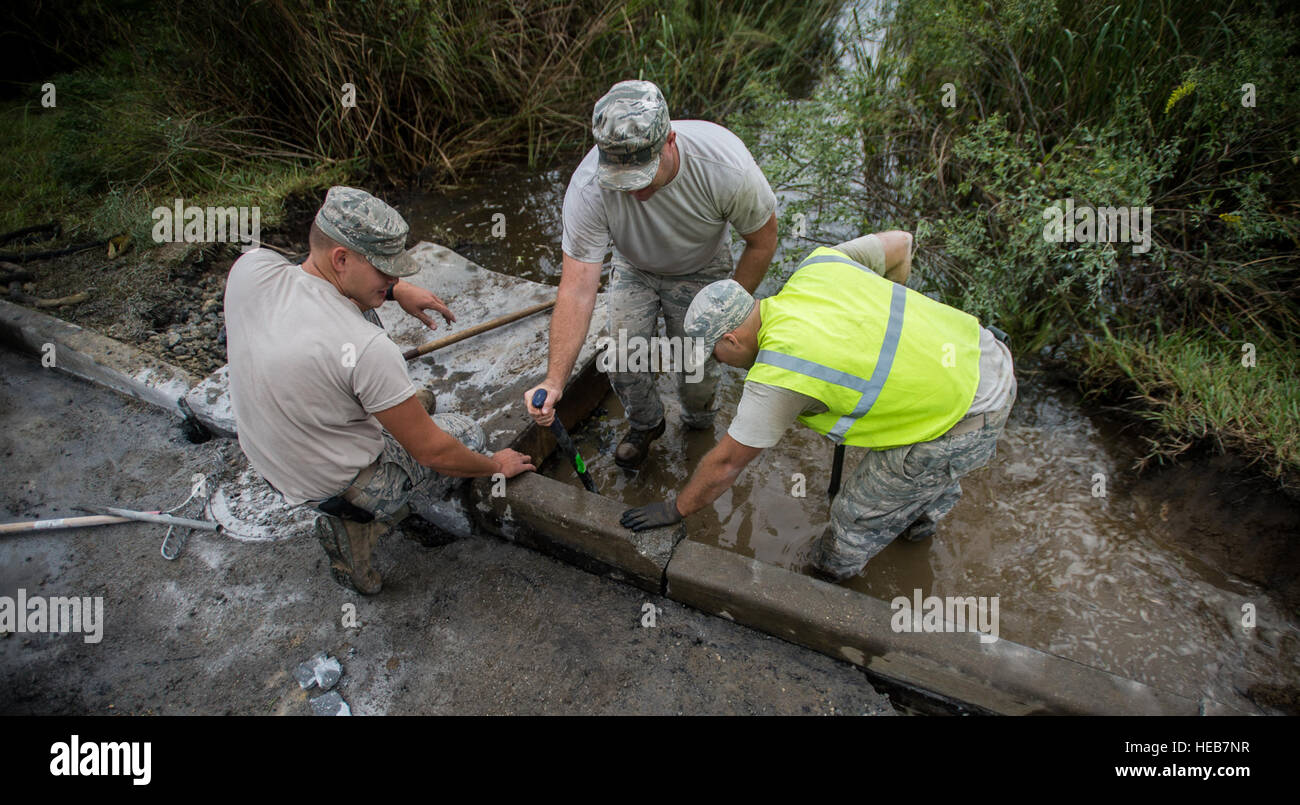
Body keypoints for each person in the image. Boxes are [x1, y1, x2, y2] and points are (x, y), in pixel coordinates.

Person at [619, 231, 1017, 582]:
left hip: (965, 415)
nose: (721, 364)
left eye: (717, 356)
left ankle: (832, 580)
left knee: (853, 516)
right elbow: (901, 244)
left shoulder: (780, 372)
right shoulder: (818, 267)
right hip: (981, 351)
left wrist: (677, 507)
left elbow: (726, 464)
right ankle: (916, 526)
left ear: (731, 340)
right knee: (916, 485)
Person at [224, 186, 534, 595]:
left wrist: (395, 291)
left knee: (404, 393)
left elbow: (309, 279)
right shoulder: (366, 348)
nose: (393, 279)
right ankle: (361, 528)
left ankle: (371, 424)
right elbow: (434, 453)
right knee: (463, 436)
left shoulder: (250, 269)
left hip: (270, 460)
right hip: (334, 486)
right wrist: (496, 466)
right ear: (341, 258)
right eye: (385, 271)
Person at [524, 79, 778, 468]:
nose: (634, 192)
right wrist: (554, 380)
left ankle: (698, 424)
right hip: (634, 266)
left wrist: (728, 307)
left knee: (696, 367)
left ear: (670, 141)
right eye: (621, 181)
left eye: (642, 176)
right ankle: (647, 424)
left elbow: (761, 242)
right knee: (623, 357)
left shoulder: (724, 165)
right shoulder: (589, 186)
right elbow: (577, 289)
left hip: (702, 267)